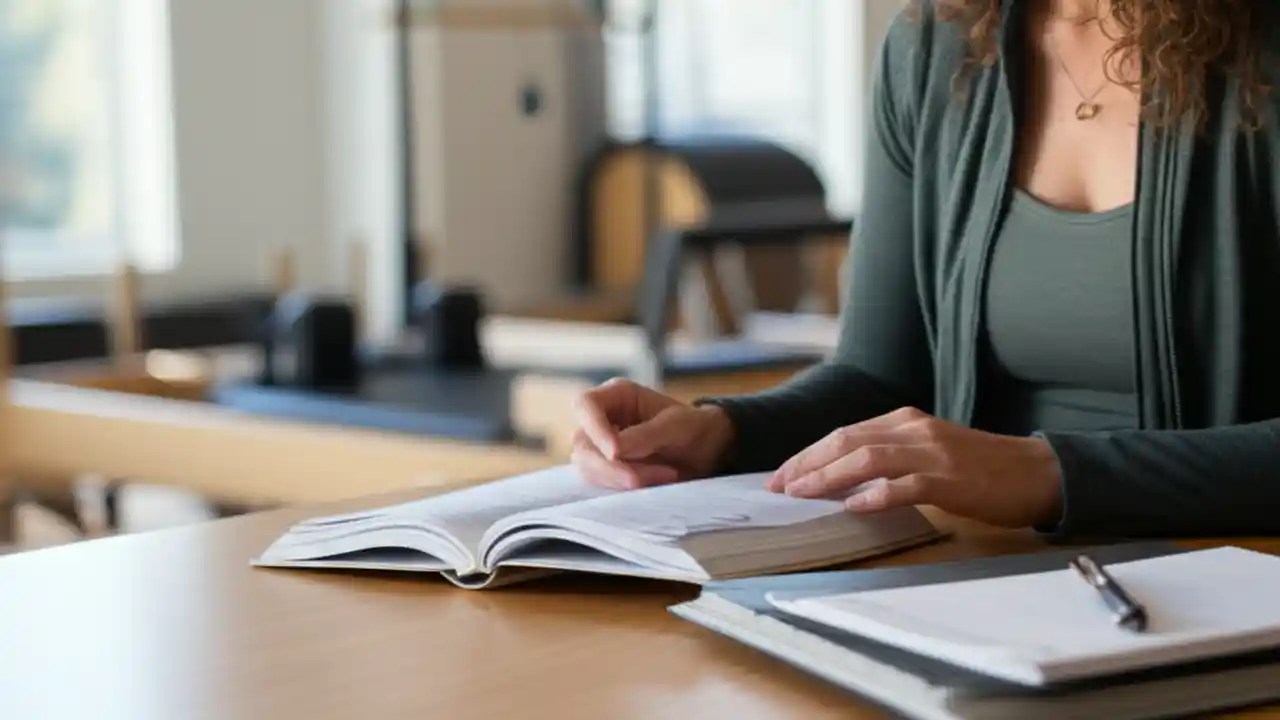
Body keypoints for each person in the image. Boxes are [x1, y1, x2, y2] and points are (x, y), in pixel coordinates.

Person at [570, 0, 1280, 537]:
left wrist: (1045, 473)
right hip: (979, 578)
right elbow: (879, 377)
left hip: (1228, 580)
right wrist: (722, 432)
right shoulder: (935, 48)